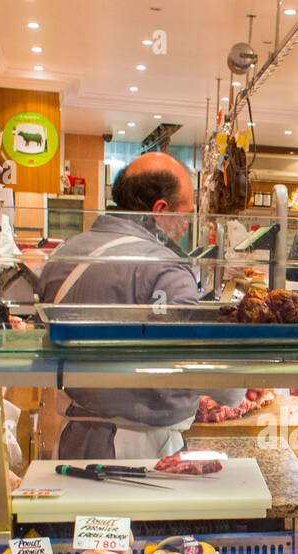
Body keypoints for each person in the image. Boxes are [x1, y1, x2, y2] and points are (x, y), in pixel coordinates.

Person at [38, 151, 240, 459]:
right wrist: (239, 385)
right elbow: (197, 362)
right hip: (141, 450)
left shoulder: (63, 256)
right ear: (160, 210)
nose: (185, 226)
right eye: (184, 214)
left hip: (73, 438)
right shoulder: (165, 270)